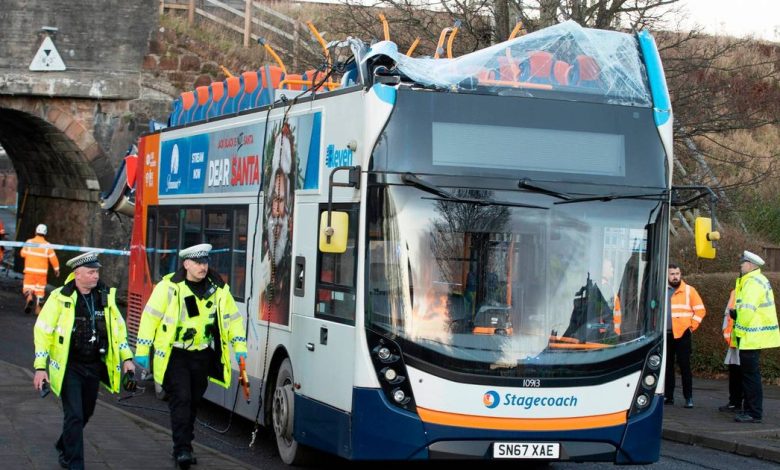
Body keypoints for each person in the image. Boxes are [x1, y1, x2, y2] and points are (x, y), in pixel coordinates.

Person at [135, 243, 248, 469]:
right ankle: (182, 450)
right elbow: (150, 318)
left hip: (202, 354)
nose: (202, 267)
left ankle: (186, 442)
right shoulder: (169, 287)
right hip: (176, 354)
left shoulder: (218, 289)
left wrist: (240, 347)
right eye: (197, 262)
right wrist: (142, 351)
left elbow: (233, 320)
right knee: (182, 399)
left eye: (205, 262)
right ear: (186, 264)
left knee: (194, 401)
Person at [32, 251, 135, 469]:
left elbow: (117, 331)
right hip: (70, 366)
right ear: (77, 274)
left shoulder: (105, 296)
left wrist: (127, 358)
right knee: (75, 415)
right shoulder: (60, 297)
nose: (95, 276)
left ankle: (64, 444)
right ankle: (74, 463)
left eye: (96, 271)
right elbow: (42, 332)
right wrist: (40, 367)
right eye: (90, 272)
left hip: (95, 365)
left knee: (85, 413)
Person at [731, 250, 780, 424]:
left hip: (751, 336)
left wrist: (739, 330)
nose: (740, 266)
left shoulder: (752, 282)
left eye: (742, 263)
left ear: (750, 265)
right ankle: (750, 410)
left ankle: (753, 413)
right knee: (751, 376)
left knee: (750, 377)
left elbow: (747, 310)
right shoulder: (758, 280)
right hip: (755, 335)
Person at [665, 263, 706, 408]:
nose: (675, 276)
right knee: (667, 368)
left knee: (685, 368)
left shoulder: (689, 291)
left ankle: (688, 397)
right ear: (667, 275)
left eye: (677, 273)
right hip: (666, 335)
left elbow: (700, 311)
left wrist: (691, 327)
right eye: (672, 274)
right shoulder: (661, 290)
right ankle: (668, 396)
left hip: (683, 335)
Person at [21, 223, 60, 314]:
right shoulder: (47, 245)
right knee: (40, 291)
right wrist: (56, 269)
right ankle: (38, 308)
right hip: (41, 273)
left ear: (35, 231)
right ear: (45, 233)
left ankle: (30, 297)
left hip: (29, 271)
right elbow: (53, 258)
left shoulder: (29, 242)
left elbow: (22, 254)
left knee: (27, 288)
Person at [719, 289, 743, 413]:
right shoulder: (735, 291)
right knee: (734, 372)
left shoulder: (749, 290)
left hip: (745, 340)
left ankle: (742, 404)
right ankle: (734, 402)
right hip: (734, 340)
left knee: (743, 373)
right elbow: (728, 315)